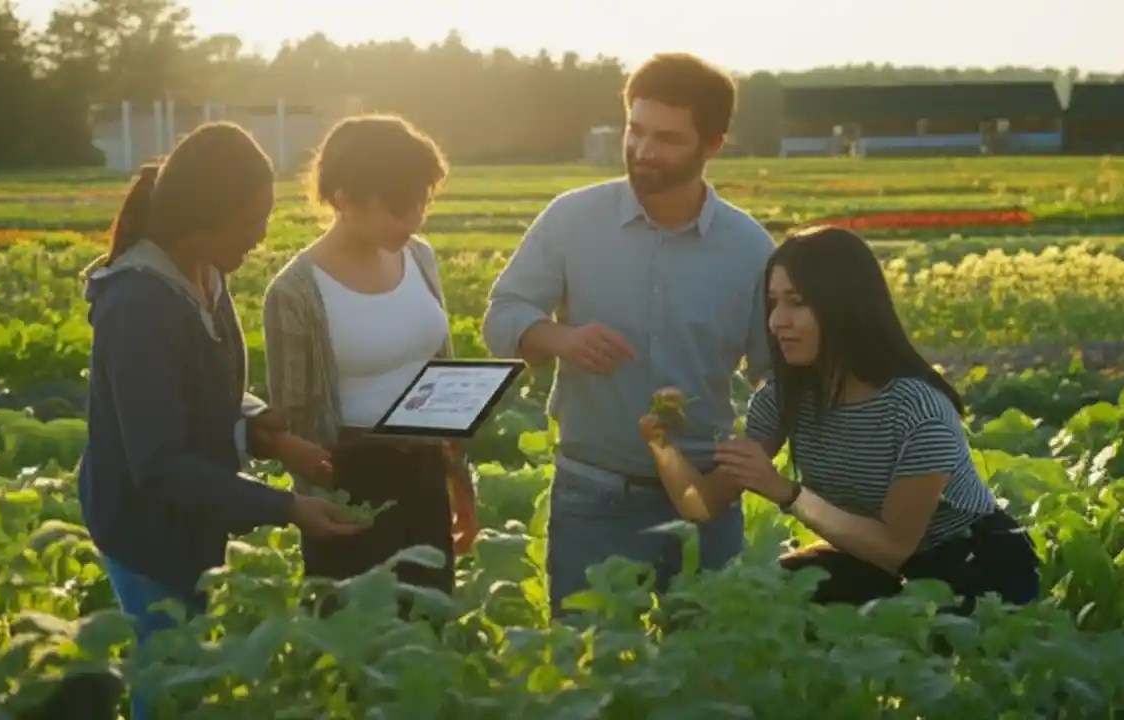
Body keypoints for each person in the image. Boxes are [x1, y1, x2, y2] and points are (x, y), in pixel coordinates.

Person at [78, 122, 367, 720]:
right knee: (170, 684)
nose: (262, 235)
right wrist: (286, 509)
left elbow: (208, 396)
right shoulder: (139, 304)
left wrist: (271, 433)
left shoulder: (207, 275)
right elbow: (159, 463)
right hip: (144, 528)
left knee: (187, 669)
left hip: (191, 520)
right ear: (208, 214)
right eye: (253, 217)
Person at [482, 53, 775, 616]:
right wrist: (558, 338)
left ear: (713, 144)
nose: (643, 150)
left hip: (706, 502)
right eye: (635, 129)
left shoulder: (749, 248)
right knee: (585, 676)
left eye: (667, 138)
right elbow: (502, 318)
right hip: (593, 498)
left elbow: (775, 379)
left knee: (707, 679)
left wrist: (744, 469)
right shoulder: (571, 220)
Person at [638, 225, 1042, 614]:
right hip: (871, 559)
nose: (777, 321)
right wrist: (661, 443)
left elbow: (894, 548)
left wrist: (785, 492)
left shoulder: (917, 408)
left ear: (844, 307)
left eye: (796, 302)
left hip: (974, 564)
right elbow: (702, 505)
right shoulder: (783, 396)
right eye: (773, 302)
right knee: (759, 596)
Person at [261, 114, 479, 611]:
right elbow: (297, 419)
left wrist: (458, 480)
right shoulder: (296, 293)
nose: (414, 219)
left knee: (428, 632)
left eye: (422, 202)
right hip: (353, 485)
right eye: (399, 208)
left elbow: (440, 377)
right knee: (358, 645)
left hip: (425, 477)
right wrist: (321, 507)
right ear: (343, 197)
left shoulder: (420, 258)